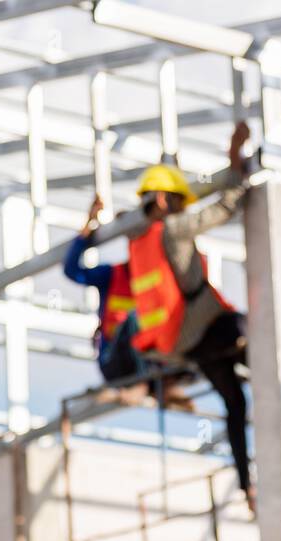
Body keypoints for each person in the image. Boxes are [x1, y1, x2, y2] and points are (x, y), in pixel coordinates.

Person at [64, 121, 256, 511]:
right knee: (258, 340)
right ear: (167, 202)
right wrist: (236, 169)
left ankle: (247, 486)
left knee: (236, 404)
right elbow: (221, 208)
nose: (184, 207)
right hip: (184, 340)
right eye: (180, 200)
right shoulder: (157, 242)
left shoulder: (140, 252)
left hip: (181, 347)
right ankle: (155, 386)